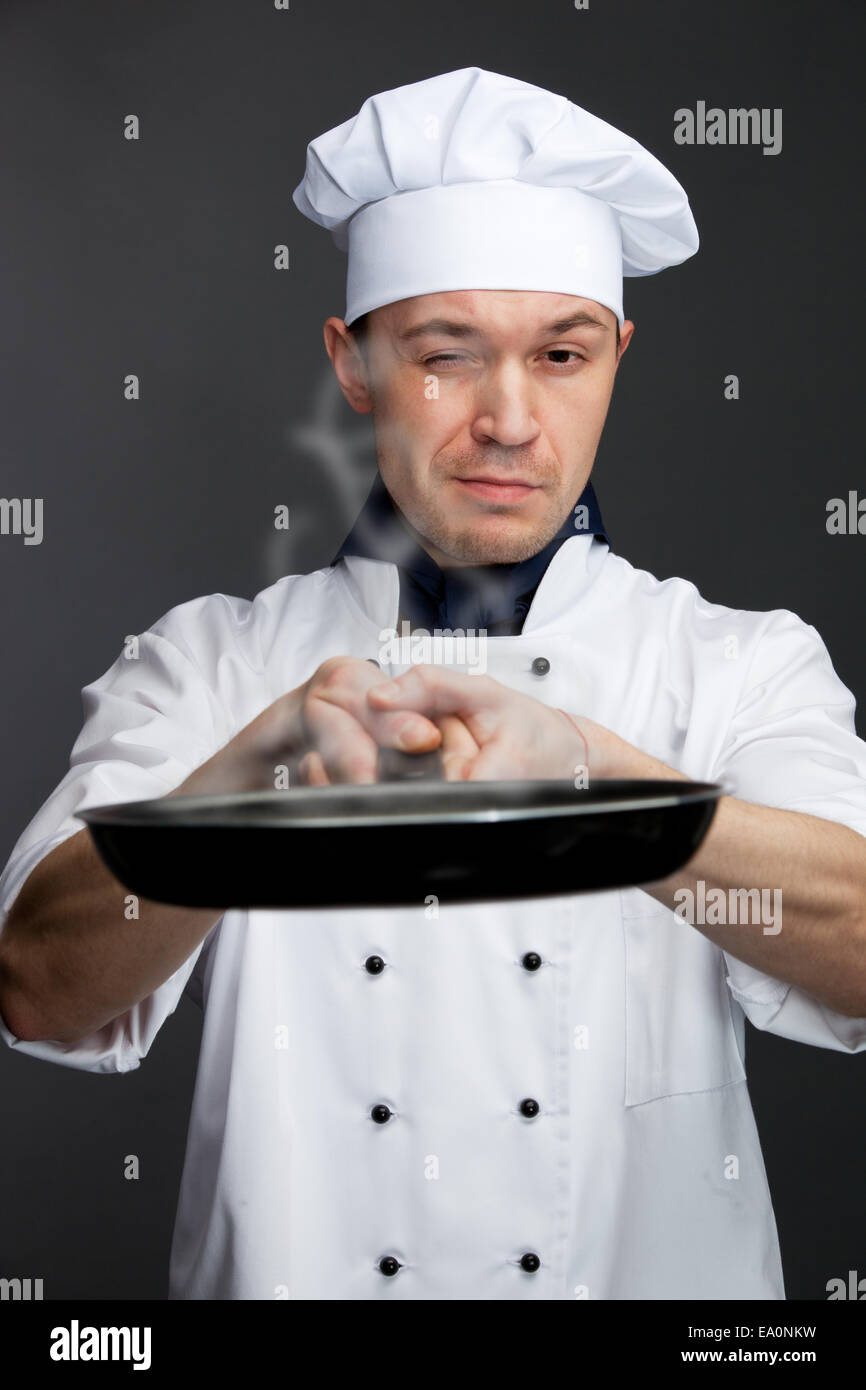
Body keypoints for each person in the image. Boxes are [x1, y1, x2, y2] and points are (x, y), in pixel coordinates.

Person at [0, 66, 864, 1301]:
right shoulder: (210, 662)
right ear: (351, 364)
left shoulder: (732, 662)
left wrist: (595, 782)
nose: (509, 419)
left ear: (616, 355)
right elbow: (34, 985)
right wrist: (245, 795)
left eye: (560, 354)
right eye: (444, 356)